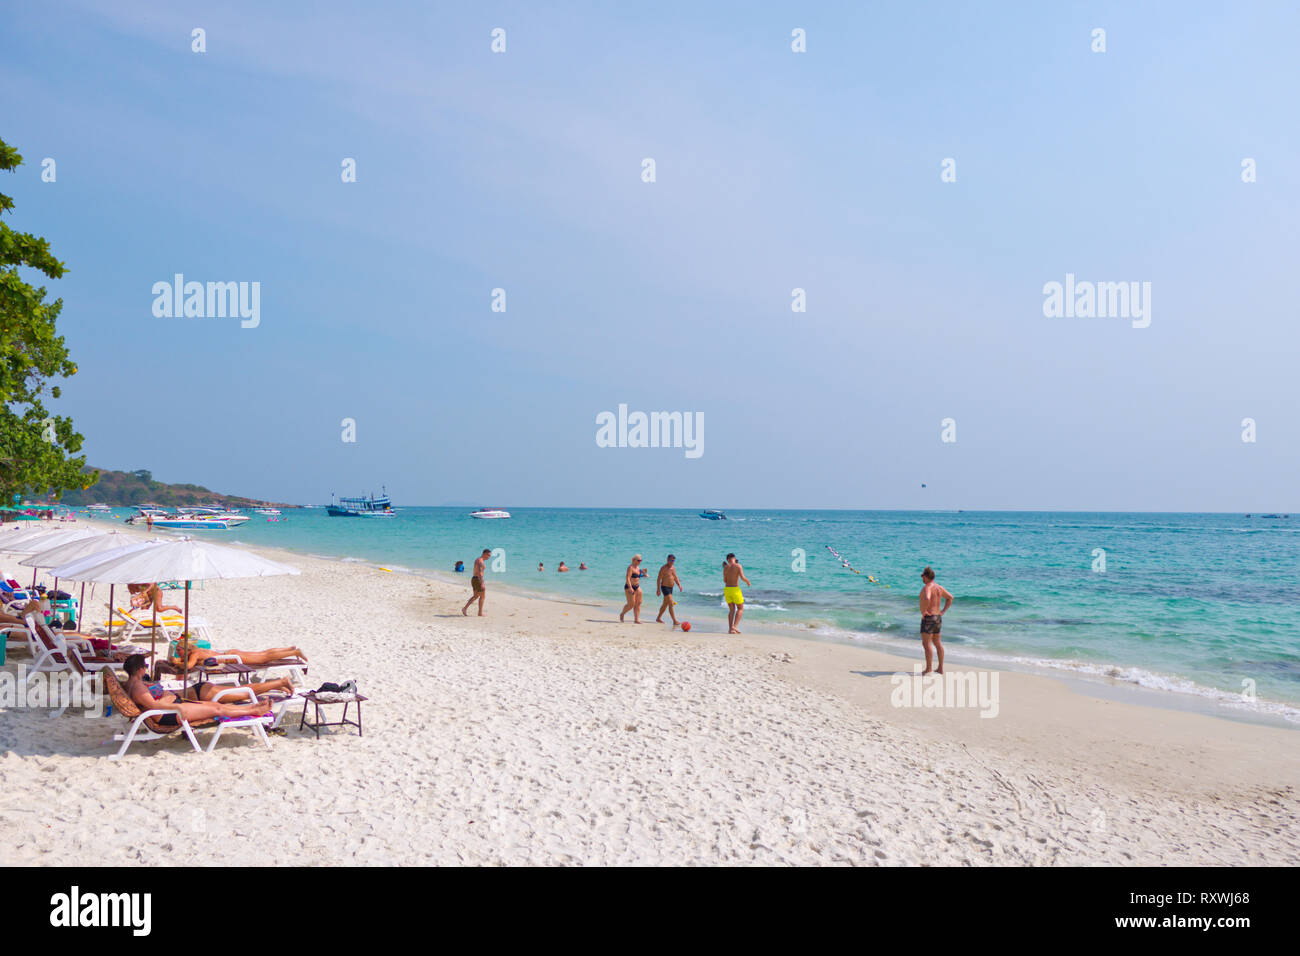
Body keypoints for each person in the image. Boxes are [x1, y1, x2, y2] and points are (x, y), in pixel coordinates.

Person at [123, 654, 273, 725]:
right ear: (140, 669)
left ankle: (253, 707)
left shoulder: (133, 683)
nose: (146, 669)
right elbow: (154, 706)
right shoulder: (137, 688)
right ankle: (254, 711)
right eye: (145, 667)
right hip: (168, 713)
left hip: (172, 708)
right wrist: (174, 704)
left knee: (216, 706)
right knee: (217, 710)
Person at [170, 634, 307, 672]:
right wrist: (178, 661)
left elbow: (188, 666)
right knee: (262, 654)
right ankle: (289, 649)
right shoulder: (195, 652)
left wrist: (177, 663)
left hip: (233, 658)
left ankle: (294, 651)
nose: (177, 653)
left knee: (264, 658)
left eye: (179, 650)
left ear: (186, 649)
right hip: (230, 654)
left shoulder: (194, 654)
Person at [918, 566, 953, 675]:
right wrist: (942, 611)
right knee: (937, 643)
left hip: (929, 618)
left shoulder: (927, 587)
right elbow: (950, 597)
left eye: (922, 576)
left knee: (926, 643)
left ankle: (929, 669)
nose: (922, 579)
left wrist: (924, 611)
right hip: (937, 617)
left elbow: (927, 598)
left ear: (926, 576)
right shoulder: (939, 587)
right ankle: (940, 668)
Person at [723, 553, 750, 634]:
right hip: (735, 590)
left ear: (728, 559)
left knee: (731, 609)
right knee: (740, 608)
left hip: (727, 590)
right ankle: (734, 627)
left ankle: (730, 629)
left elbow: (724, 580)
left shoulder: (725, 567)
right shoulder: (738, 566)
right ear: (734, 558)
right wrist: (748, 582)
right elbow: (742, 577)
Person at [655, 554, 683, 627]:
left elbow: (675, 577)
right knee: (671, 603)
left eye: (673, 560)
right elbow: (658, 579)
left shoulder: (673, 568)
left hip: (671, 588)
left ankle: (658, 618)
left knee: (665, 605)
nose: (672, 562)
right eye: (671, 560)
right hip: (664, 587)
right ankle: (674, 620)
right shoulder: (663, 568)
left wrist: (679, 585)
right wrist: (658, 589)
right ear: (667, 560)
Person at [462, 548, 491, 616]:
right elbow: (480, 573)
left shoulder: (478, 560)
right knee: (482, 596)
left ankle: (464, 608)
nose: (489, 557)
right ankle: (480, 613)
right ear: (484, 554)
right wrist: (482, 583)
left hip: (474, 579)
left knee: (475, 596)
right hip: (478, 579)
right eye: (488, 555)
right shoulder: (480, 561)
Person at [619, 554, 644, 623]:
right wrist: (630, 587)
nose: (640, 561)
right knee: (631, 604)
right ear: (634, 560)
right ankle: (622, 614)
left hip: (637, 586)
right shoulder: (630, 567)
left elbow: (638, 576)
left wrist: (644, 574)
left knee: (638, 603)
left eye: (641, 560)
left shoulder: (638, 568)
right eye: (638, 560)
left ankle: (636, 620)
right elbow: (627, 578)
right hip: (629, 586)